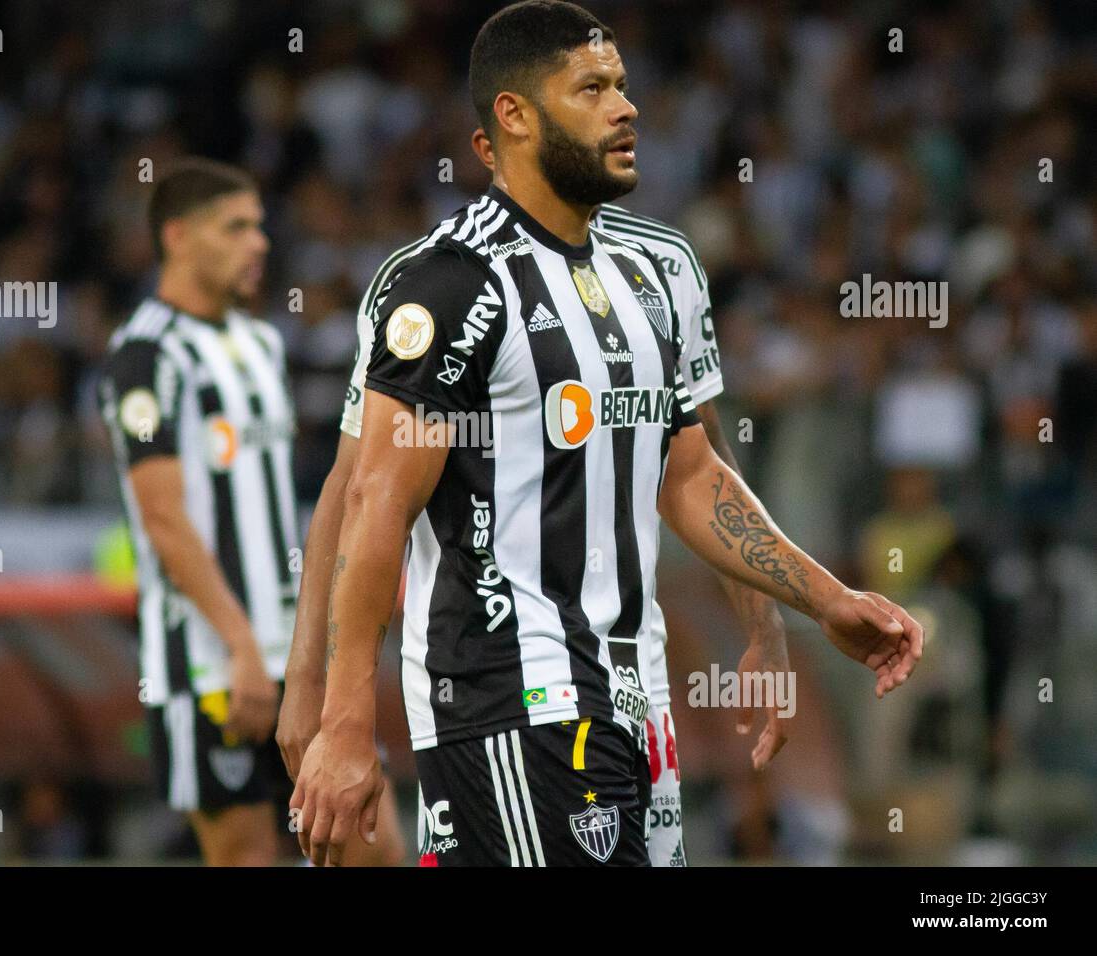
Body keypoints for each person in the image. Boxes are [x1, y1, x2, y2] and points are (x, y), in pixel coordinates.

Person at [289, 0, 922, 867]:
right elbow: (370, 504)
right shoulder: (448, 287)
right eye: (592, 89)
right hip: (509, 700)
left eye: (621, 85)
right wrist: (337, 718)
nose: (626, 108)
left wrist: (821, 602)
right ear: (512, 117)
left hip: (636, 701)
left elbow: (692, 475)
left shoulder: (657, 271)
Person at [98, 158, 398, 865]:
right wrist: (239, 647)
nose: (258, 243)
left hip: (292, 660)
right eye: (235, 228)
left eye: (260, 227)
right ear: (176, 237)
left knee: (372, 847)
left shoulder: (262, 345)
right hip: (209, 668)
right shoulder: (145, 358)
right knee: (246, 858)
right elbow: (165, 520)